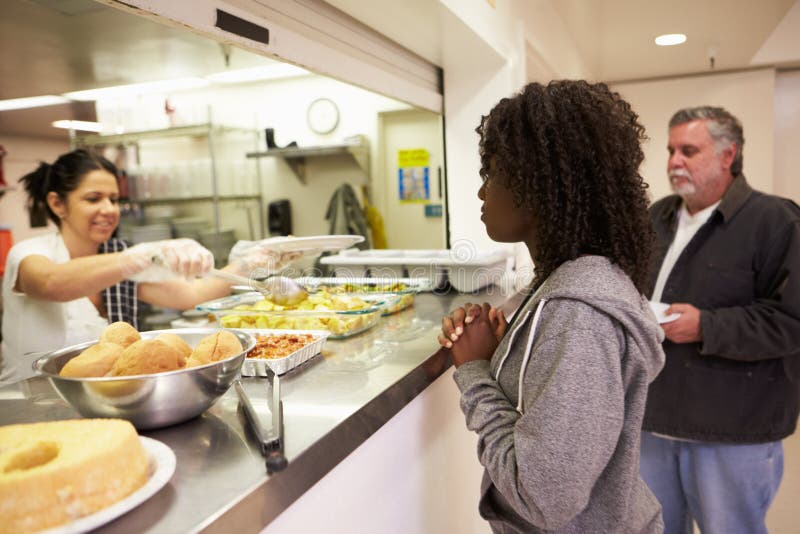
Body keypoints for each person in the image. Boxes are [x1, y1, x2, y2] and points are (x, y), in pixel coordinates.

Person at [437, 80, 666, 533]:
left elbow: (544, 497)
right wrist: (513, 351)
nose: (482, 194)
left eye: (492, 175)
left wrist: (477, 373)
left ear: (541, 187)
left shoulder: (577, 317)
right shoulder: (572, 283)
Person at [1, 149, 295, 383]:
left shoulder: (117, 259)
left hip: (101, 402)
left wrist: (252, 262)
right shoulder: (29, 252)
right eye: (94, 199)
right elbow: (51, 283)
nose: (109, 210)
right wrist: (137, 257)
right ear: (57, 204)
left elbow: (193, 294)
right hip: (30, 403)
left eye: (114, 199)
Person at [640, 106, 800, 534]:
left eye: (688, 150)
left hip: (732, 431)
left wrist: (706, 326)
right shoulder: (657, 218)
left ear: (728, 155)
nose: (674, 161)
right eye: (672, 150)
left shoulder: (776, 221)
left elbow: (791, 321)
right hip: (653, 422)